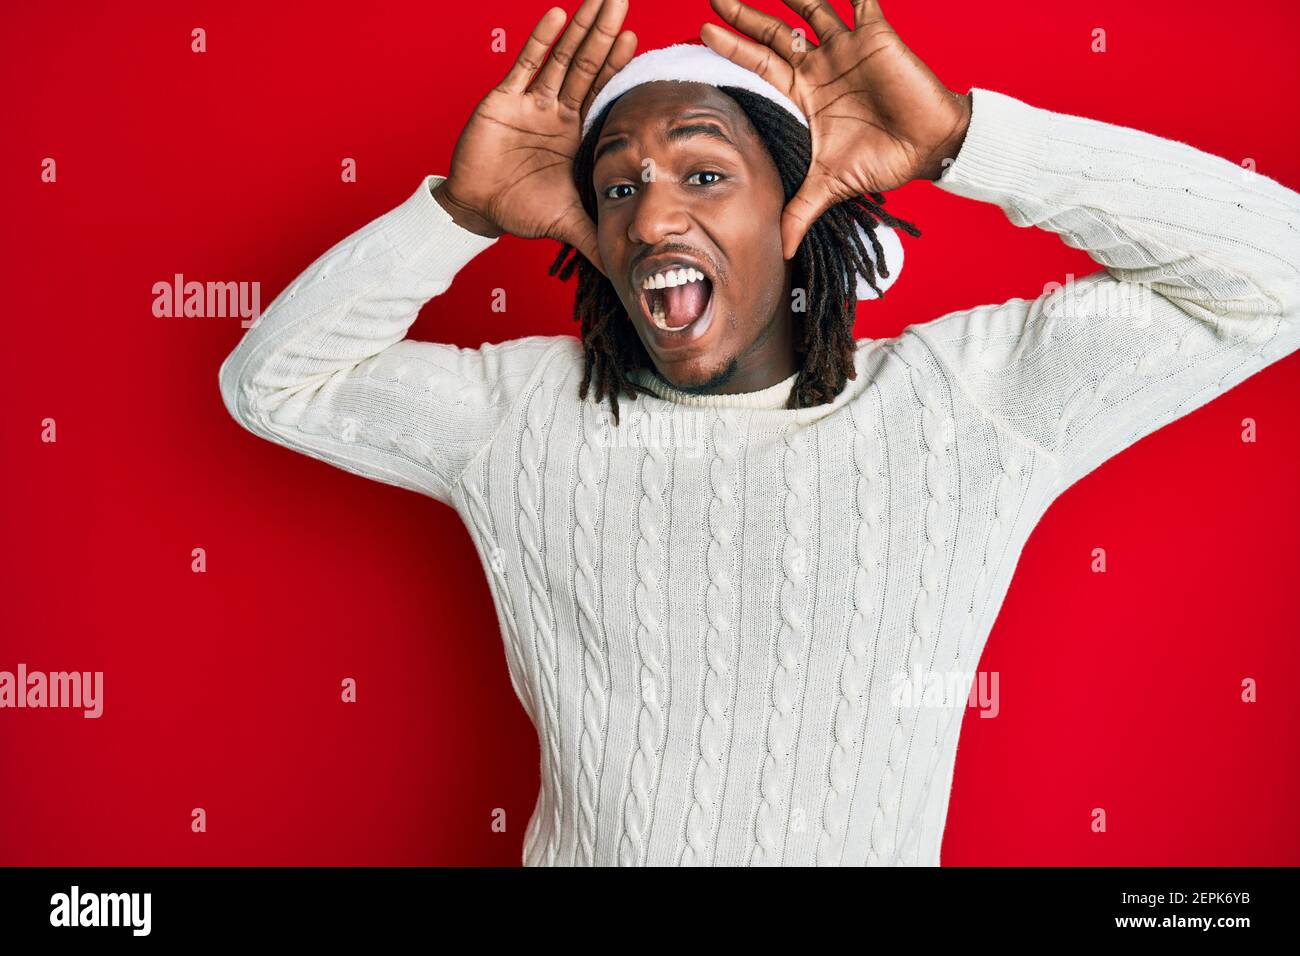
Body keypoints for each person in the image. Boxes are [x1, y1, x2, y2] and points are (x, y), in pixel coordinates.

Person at [217, 0, 1300, 866]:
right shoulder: (520, 415)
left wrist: (965, 139)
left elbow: (1278, 276)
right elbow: (272, 387)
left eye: (702, 172)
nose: (649, 216)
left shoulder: (968, 403)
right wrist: (456, 212)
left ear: (798, 211)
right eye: (617, 188)